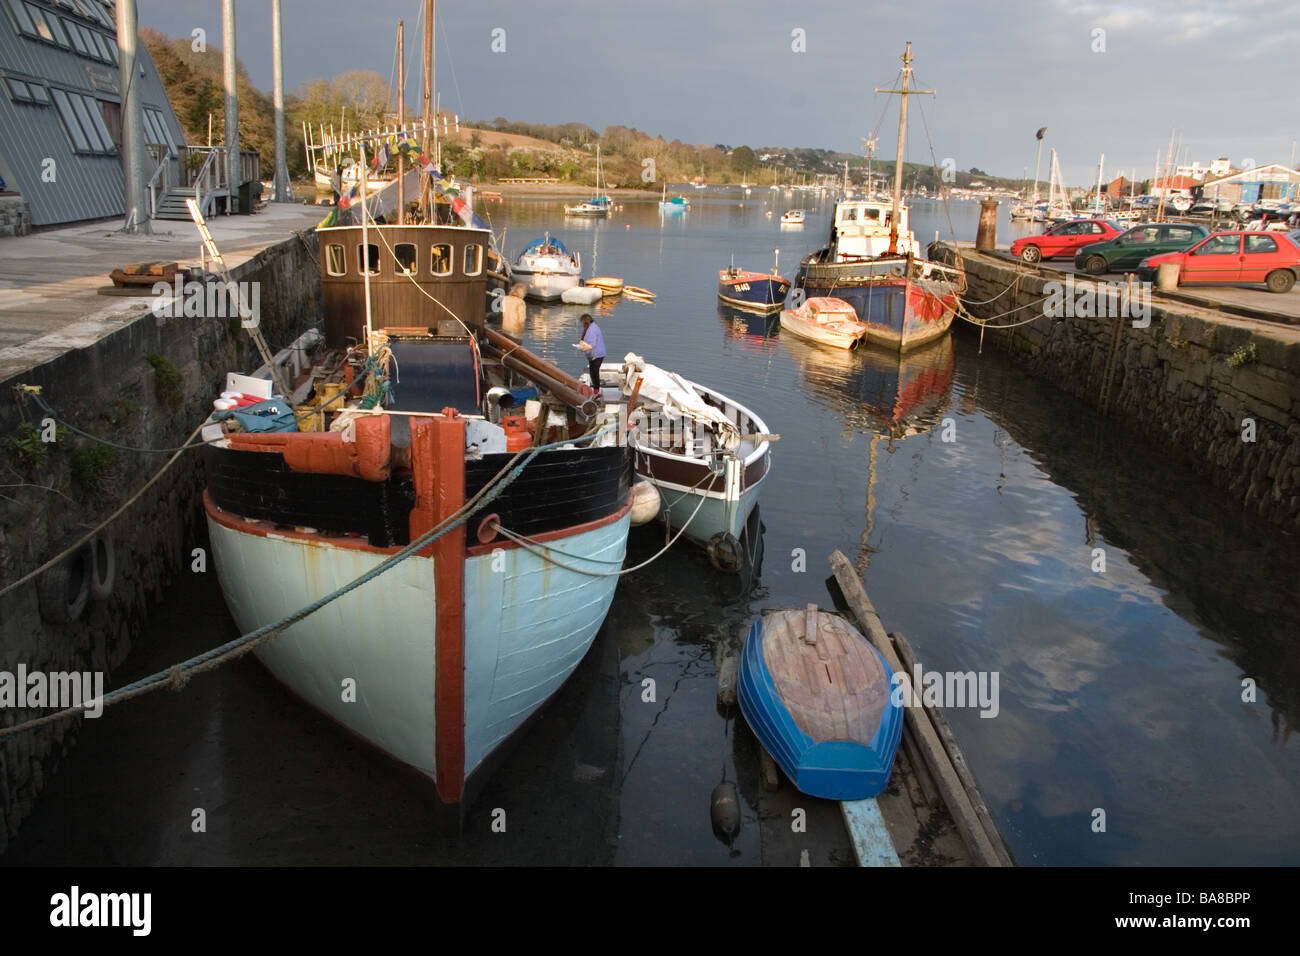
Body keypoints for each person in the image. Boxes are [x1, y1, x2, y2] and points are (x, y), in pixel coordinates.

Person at [577, 313, 606, 386]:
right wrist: (582, 342)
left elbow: (591, 345)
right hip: (597, 354)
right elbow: (587, 341)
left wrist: (582, 348)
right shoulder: (592, 327)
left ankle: (596, 390)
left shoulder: (591, 330)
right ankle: (596, 389)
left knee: (594, 373)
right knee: (593, 372)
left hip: (597, 355)